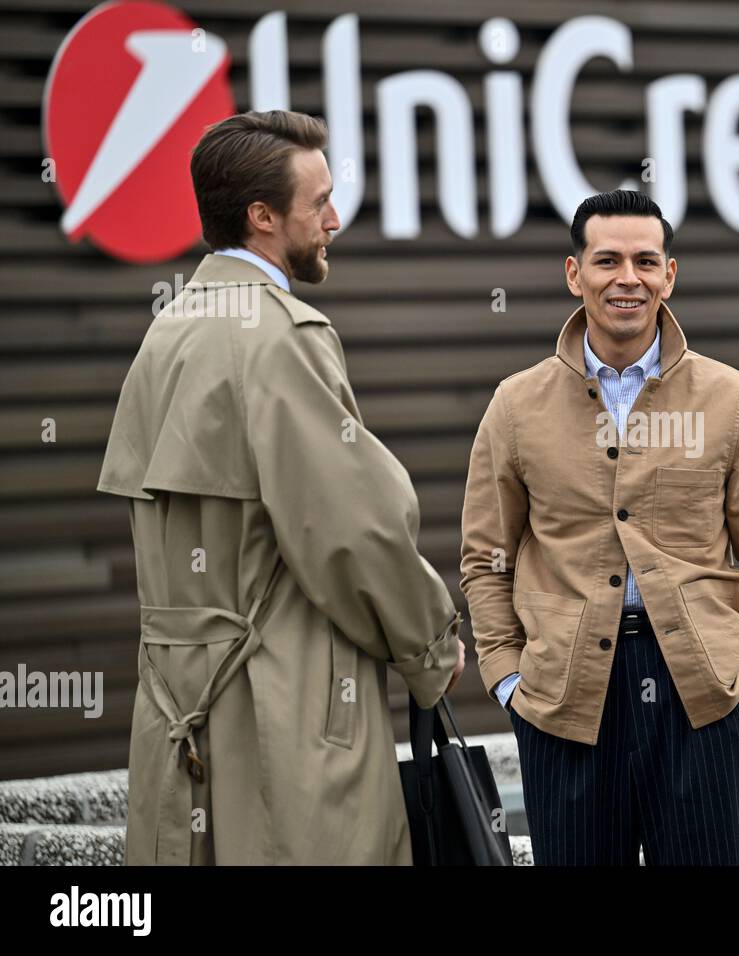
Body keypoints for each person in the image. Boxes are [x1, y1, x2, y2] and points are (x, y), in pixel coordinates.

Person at [97, 110, 464, 864]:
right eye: (318, 203)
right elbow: (353, 532)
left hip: (179, 715)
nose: (334, 220)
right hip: (286, 714)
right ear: (262, 218)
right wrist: (431, 644)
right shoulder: (280, 336)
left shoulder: (168, 330)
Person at [460, 189, 739, 865]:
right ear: (574, 273)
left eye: (646, 261)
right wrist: (508, 677)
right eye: (607, 260)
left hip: (702, 698)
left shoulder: (732, 399)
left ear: (669, 274)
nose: (628, 278)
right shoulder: (517, 404)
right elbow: (485, 557)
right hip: (562, 698)